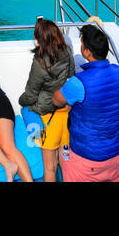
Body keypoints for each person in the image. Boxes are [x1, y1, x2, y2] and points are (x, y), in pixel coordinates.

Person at [53, 20, 119, 181]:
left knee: (61, 151)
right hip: (114, 156)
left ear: (87, 52)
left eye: (81, 44)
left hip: (86, 160)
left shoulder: (79, 82)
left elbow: (56, 99)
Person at [17, 17, 75, 182]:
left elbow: (31, 93)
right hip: (67, 113)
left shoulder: (39, 62)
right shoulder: (68, 52)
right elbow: (72, 78)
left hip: (48, 118)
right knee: (66, 163)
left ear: (40, 39)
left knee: (50, 168)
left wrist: (21, 101)